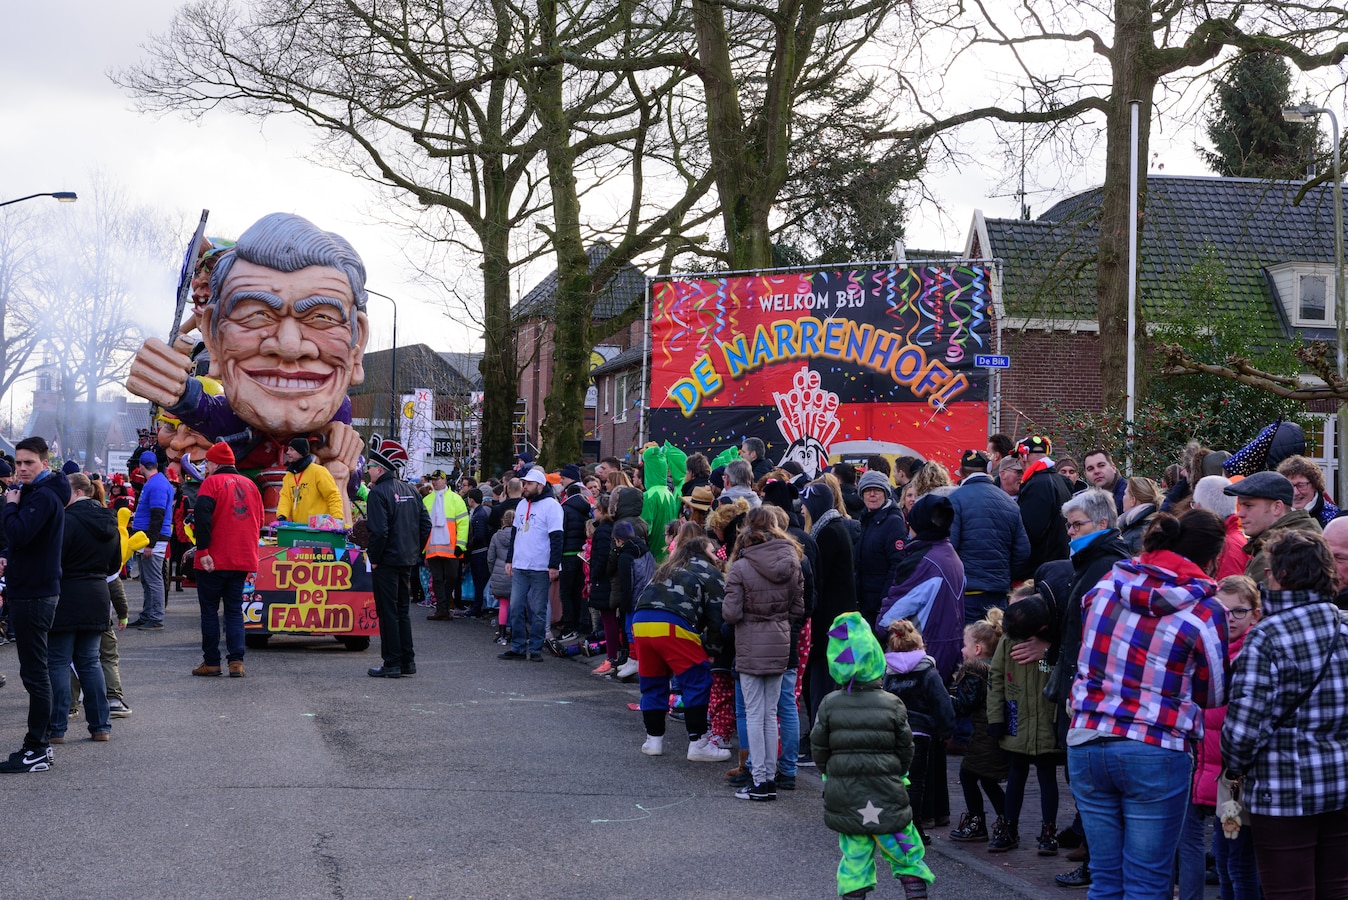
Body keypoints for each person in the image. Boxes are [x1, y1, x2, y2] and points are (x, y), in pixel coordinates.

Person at [1069, 509, 1229, 899]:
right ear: (1210, 558)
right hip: (1156, 745)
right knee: (1148, 883)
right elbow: (1214, 694)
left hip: (1088, 736)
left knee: (1105, 879)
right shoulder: (1206, 610)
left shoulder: (1108, 584)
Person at [1222, 529, 1348, 899]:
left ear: (1283, 576)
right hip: (1341, 782)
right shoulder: (1345, 626)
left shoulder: (1267, 637)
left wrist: (1235, 766)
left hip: (1282, 790)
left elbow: (1243, 729)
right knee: (1337, 890)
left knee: (1287, 892)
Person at [810, 611, 935, 900]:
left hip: (846, 794)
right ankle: (915, 890)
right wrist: (898, 773)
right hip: (886, 792)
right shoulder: (892, 704)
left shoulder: (829, 704)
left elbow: (819, 747)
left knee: (854, 853)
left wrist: (831, 773)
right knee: (904, 846)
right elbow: (906, 748)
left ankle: (854, 895)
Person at [1179, 574, 1262, 900]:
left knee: (1235, 860)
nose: (1229, 619)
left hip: (1232, 781)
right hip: (1206, 770)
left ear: (1255, 613)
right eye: (1221, 611)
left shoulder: (1252, 655)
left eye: (1238, 612)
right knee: (1221, 854)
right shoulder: (1207, 650)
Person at [723, 505, 804, 801]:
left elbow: (731, 613)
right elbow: (798, 608)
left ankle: (759, 781)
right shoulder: (792, 560)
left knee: (755, 714)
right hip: (780, 639)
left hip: (750, 641)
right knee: (771, 714)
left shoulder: (742, 566)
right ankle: (769, 776)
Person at [0, 436, 71, 773]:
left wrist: (10, 504)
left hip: (34, 594)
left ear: (45, 462)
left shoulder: (41, 497)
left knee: (35, 673)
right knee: (36, 671)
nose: (22, 469)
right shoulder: (42, 494)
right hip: (32, 589)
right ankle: (39, 745)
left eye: (29, 463)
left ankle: (37, 748)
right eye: (19, 463)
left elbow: (18, 533)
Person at [631, 534, 730, 762]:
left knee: (653, 680)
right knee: (697, 679)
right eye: (713, 551)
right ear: (704, 552)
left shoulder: (667, 568)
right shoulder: (710, 572)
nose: (716, 556)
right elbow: (718, 616)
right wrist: (713, 651)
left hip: (642, 623)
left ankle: (653, 740)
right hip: (674, 625)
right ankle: (698, 743)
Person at [46, 472, 120, 745]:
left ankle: (56, 728)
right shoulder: (109, 520)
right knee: (90, 662)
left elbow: (54, 558)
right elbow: (114, 566)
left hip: (66, 594)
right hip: (97, 594)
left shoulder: (65, 520)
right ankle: (101, 726)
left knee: (59, 662)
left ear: (75, 492)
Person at [986, 593, 1062, 855]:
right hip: (1017, 717)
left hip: (1045, 718)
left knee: (1047, 776)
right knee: (1015, 775)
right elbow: (996, 677)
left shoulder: (1052, 643)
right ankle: (1009, 827)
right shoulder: (1008, 642)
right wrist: (996, 717)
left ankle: (1048, 831)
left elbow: (1052, 671)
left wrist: (1046, 657)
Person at [191, 442, 264, 678]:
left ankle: (212, 662)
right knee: (234, 611)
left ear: (216, 463)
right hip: (242, 558)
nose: (206, 468)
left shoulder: (210, 484)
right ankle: (236, 662)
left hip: (213, 558)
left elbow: (201, 520)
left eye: (208, 463)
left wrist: (203, 552)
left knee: (210, 612)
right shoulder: (251, 485)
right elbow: (259, 521)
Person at [876, 494, 966, 681]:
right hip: (951, 652)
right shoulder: (952, 556)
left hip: (920, 657)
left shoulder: (921, 561)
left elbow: (887, 619)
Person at [883, 619, 956, 845]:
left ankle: (894, 826)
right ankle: (915, 829)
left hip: (894, 735)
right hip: (920, 735)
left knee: (895, 782)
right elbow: (942, 704)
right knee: (915, 784)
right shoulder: (928, 671)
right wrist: (946, 729)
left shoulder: (888, 673)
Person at [365, 450, 432, 678]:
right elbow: (425, 524)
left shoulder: (378, 493)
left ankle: (392, 662)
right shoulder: (410, 490)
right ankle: (407, 660)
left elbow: (379, 531)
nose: (367, 471)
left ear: (380, 469)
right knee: (402, 610)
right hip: (406, 559)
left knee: (388, 611)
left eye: (370, 467)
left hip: (387, 560)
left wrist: (374, 558)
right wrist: (414, 549)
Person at [947, 609, 1009, 843]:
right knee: (987, 779)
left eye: (965, 645)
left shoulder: (975, 670)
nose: (962, 650)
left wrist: (946, 698)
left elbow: (965, 705)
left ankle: (977, 822)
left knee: (968, 775)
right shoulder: (997, 666)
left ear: (977, 649)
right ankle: (1005, 820)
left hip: (984, 736)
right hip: (993, 733)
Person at [949, 449, 1030, 624]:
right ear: (988, 470)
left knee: (970, 645)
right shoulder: (1010, 503)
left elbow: (949, 547)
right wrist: (1003, 575)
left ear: (962, 472)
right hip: (998, 590)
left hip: (966, 591)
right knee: (994, 642)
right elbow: (1023, 551)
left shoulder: (955, 499)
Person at [499, 468, 563, 662]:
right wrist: (510, 559)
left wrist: (553, 565)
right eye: (524, 483)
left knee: (538, 609)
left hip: (540, 566)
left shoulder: (551, 506)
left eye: (528, 484)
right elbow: (515, 534)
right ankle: (518, 647)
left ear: (540, 486)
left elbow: (557, 537)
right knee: (516, 607)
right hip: (520, 565)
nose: (524, 487)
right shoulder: (521, 505)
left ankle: (535, 648)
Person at [1224, 470, 1322, 585]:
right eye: (1241, 506)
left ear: (1277, 507)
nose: (1240, 514)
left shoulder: (1282, 551)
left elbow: (1254, 601)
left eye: (1248, 505)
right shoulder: (1286, 541)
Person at [856, 469, 908, 627]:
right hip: (863, 600)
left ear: (885, 493)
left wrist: (885, 600)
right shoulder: (865, 518)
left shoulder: (893, 522)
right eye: (867, 490)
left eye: (877, 490)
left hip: (879, 603)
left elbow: (897, 564)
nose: (872, 494)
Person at [128, 450, 174, 630]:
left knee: (153, 580)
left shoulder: (156, 485)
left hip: (151, 539)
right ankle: (148, 615)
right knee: (148, 580)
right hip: (148, 538)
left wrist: (150, 543)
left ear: (141, 466)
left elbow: (157, 515)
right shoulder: (157, 483)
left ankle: (155, 617)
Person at [1015, 435, 1071, 574]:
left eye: (1019, 458)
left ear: (1024, 457)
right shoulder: (1059, 480)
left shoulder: (1037, 484)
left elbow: (1030, 530)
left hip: (1041, 568)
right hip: (1058, 564)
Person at [423, 469, 469, 621]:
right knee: (437, 579)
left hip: (451, 547)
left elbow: (463, 524)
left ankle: (445, 605)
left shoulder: (456, 499)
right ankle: (442, 609)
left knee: (451, 577)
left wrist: (461, 545)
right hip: (433, 546)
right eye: (433, 480)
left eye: (437, 479)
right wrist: (422, 547)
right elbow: (421, 525)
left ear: (444, 480)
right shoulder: (427, 500)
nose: (434, 482)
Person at [555, 464, 591, 640]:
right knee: (578, 591)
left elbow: (561, 533)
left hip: (567, 555)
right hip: (580, 555)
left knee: (566, 592)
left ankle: (568, 626)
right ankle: (578, 623)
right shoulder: (585, 508)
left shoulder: (564, 509)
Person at [276, 436, 345, 525]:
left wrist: (337, 518)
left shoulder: (318, 471)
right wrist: (282, 515)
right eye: (288, 449)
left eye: (291, 449)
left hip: (319, 528)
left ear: (301, 452)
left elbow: (332, 495)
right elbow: (285, 497)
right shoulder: (289, 476)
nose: (287, 452)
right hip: (299, 527)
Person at [1191, 474, 1248, 579]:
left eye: (1193, 504)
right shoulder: (1232, 539)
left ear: (1199, 507)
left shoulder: (1225, 550)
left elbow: (1226, 594)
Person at [1277, 454, 1340, 527]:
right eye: (1289, 486)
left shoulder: (1332, 518)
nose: (1295, 493)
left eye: (1301, 485)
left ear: (1315, 485)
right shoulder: (1275, 515)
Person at [486, 508, 516, 645]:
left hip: (500, 572)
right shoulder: (520, 536)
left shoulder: (496, 536)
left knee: (503, 604)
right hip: (515, 572)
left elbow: (490, 557)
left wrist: (493, 573)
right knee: (518, 605)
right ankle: (517, 632)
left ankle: (502, 633)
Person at [464, 488, 492, 619]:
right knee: (479, 581)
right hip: (480, 551)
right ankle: (477, 606)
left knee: (478, 581)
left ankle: (477, 607)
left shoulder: (478, 516)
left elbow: (479, 535)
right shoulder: (480, 513)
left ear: (471, 500)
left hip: (478, 552)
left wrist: (469, 545)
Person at [1117, 475, 1161, 554]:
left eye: (1125, 494)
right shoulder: (1147, 523)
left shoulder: (1140, 532)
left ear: (1133, 500)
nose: (1123, 498)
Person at [1082, 448, 1126, 512]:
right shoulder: (1087, 501)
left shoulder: (1130, 494)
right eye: (1090, 469)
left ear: (1113, 468)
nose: (1096, 471)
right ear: (1085, 474)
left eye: (1101, 465)